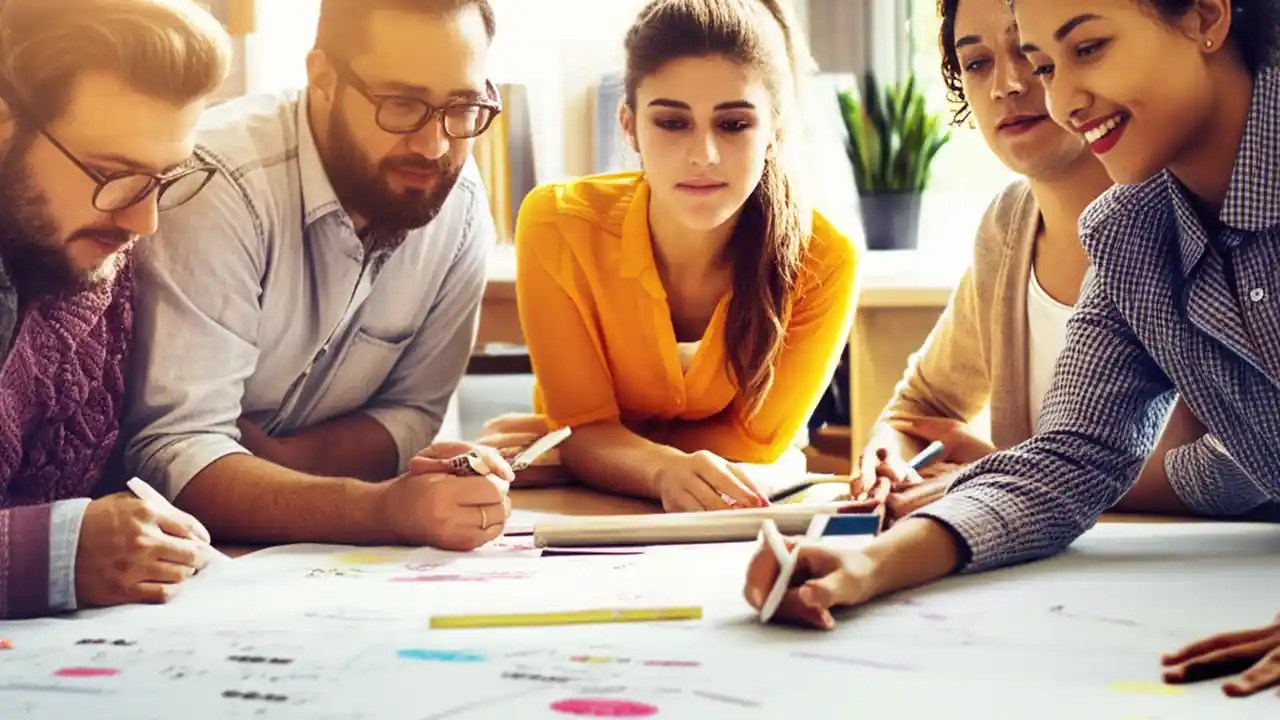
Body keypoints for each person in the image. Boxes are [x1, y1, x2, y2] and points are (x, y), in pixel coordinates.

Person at [744, 0, 1280, 699]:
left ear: (1207, 18)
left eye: (1088, 48)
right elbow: (1067, 460)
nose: (1061, 100)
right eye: (1048, 65)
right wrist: (869, 566)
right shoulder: (1132, 233)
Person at [124, 0, 516, 552]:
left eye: (463, 106)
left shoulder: (458, 199)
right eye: (401, 105)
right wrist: (383, 510)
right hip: (172, 553)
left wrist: (291, 464)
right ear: (323, 79)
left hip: (318, 562)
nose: (434, 147)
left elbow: (414, 414)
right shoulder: (217, 183)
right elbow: (177, 458)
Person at [492, 0, 857, 513]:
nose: (703, 154)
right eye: (671, 122)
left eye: (733, 125)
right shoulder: (556, 224)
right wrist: (609, 449)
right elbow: (584, 430)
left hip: (730, 516)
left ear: (774, 130)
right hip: (575, 505)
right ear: (629, 125)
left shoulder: (825, 259)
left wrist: (588, 446)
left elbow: (754, 448)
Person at [854, 0, 1211, 523]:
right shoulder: (1007, 230)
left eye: (1030, 52)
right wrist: (886, 465)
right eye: (976, 63)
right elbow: (917, 414)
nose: (1007, 85)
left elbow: (1240, 465)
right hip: (1048, 585)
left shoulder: (1197, 207)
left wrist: (1014, 474)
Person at [0, 0, 230, 618]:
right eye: (113, 174)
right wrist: (49, 555)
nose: (144, 221)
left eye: (163, 179)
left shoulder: (88, 266)